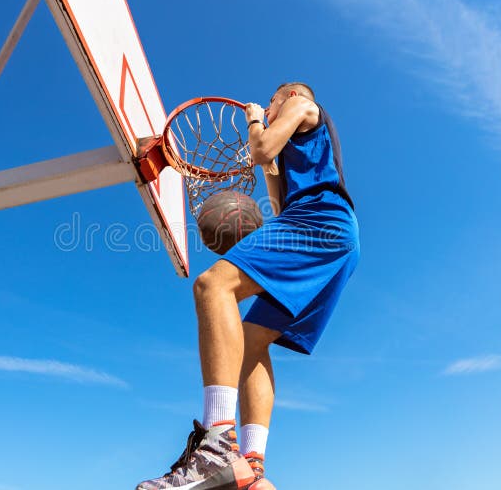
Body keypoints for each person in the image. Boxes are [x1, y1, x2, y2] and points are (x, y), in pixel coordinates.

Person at [136, 83, 360, 490]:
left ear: (288, 95)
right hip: (327, 234)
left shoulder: (301, 104)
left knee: (212, 286)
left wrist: (257, 118)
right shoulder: (295, 149)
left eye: (272, 99)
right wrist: (263, 183)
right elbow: (278, 204)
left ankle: (217, 442)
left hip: (320, 221)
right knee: (252, 340)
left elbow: (260, 149)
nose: (270, 104)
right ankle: (252, 469)